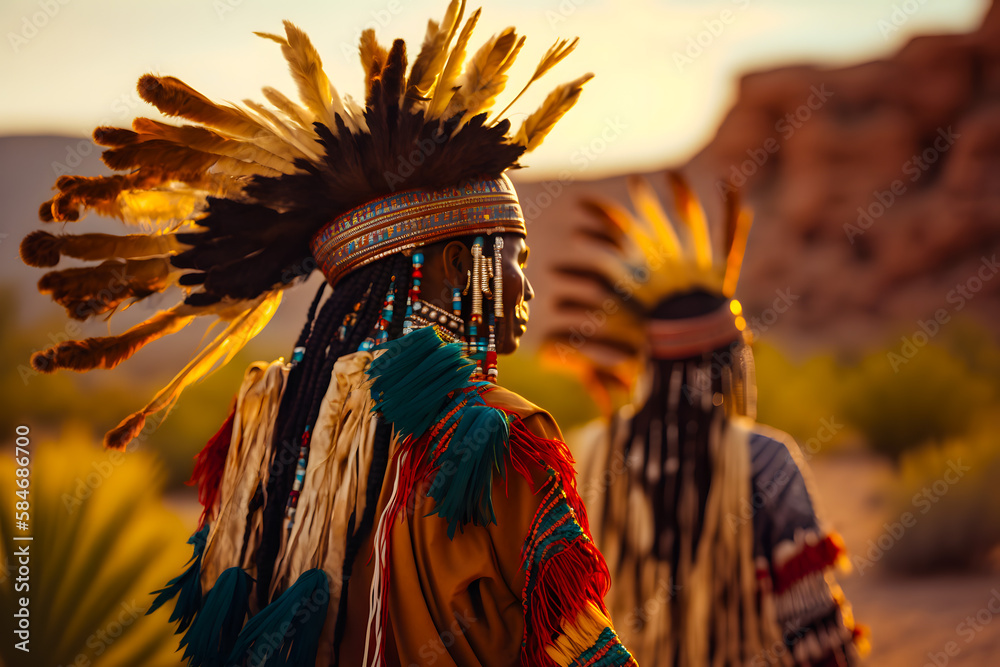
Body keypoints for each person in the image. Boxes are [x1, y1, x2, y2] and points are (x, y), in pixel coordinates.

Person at [20, 4, 638, 665]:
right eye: (515, 259)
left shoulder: (262, 432)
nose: (528, 289)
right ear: (460, 265)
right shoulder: (500, 439)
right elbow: (578, 644)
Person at [542, 172, 864, 666]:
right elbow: (811, 624)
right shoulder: (765, 459)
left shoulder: (583, 454)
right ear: (729, 365)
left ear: (651, 362)